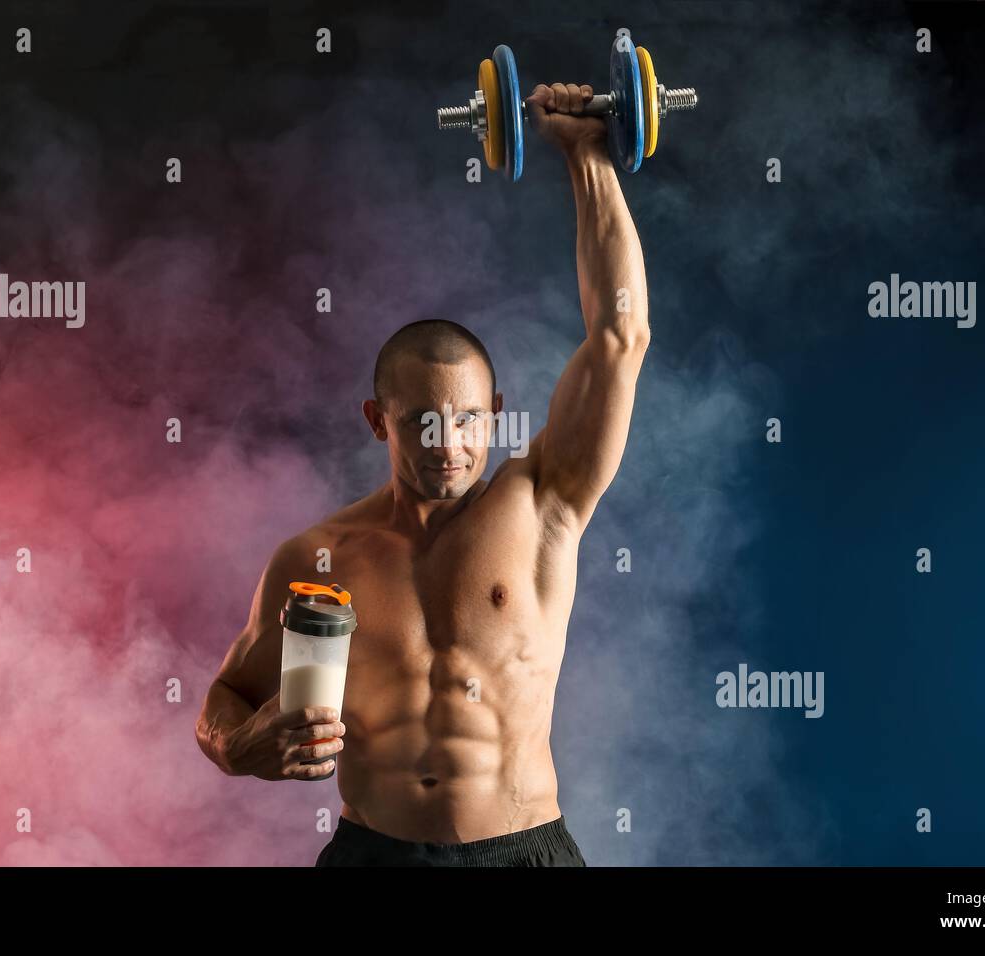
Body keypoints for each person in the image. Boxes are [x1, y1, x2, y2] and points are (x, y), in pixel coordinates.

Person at [196, 81, 649, 866]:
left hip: (525, 852)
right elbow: (229, 693)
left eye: (471, 420)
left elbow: (620, 334)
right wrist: (235, 745)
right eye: (423, 422)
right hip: (376, 855)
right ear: (379, 421)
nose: (450, 442)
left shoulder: (543, 506)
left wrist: (586, 158)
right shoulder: (316, 557)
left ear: (496, 411)